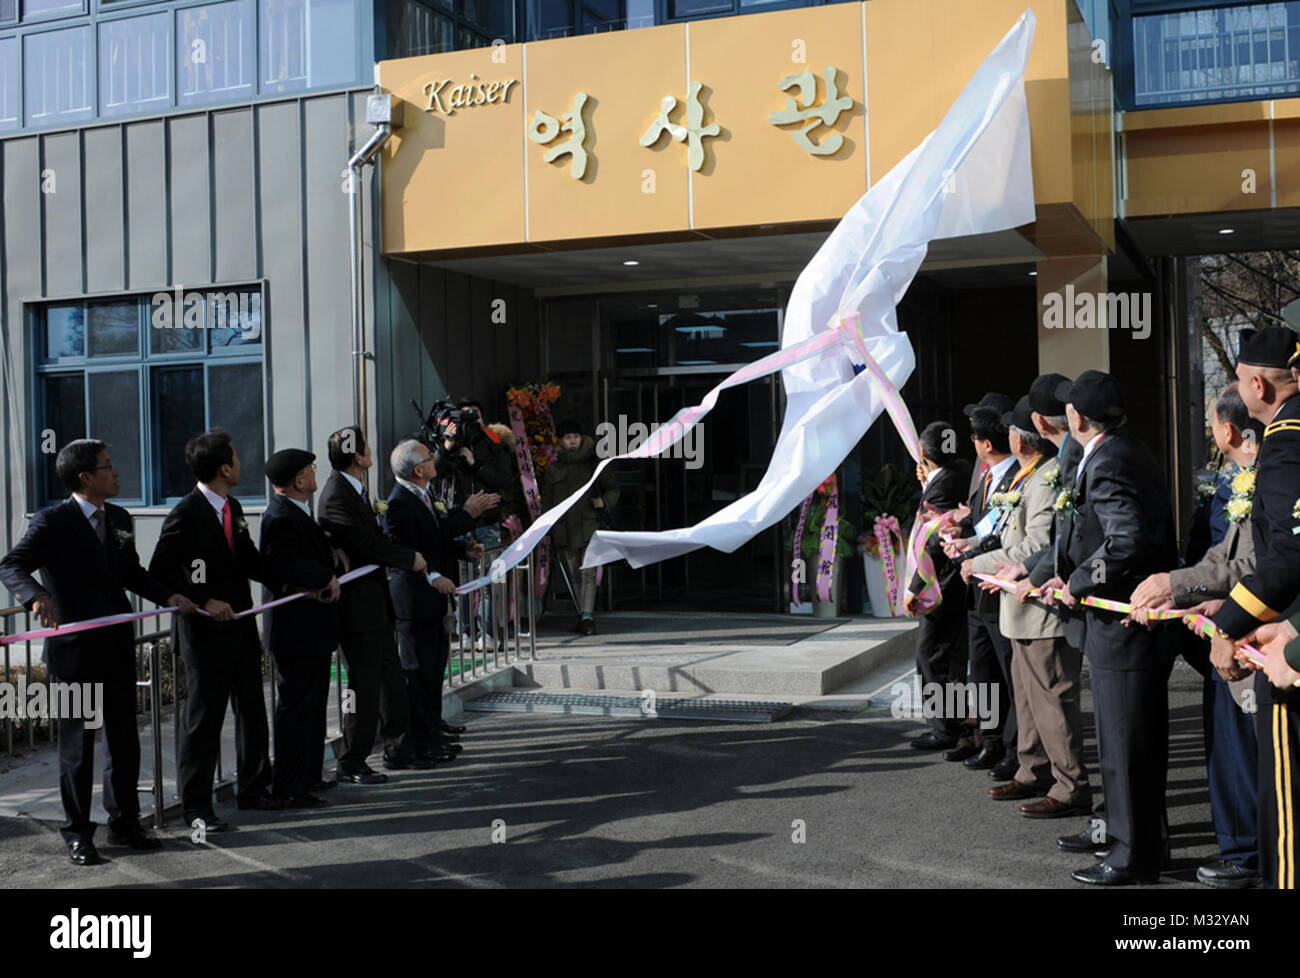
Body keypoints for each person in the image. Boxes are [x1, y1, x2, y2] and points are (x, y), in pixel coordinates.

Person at [0, 440, 196, 865]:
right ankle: (77, 833)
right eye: (108, 467)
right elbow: (11, 564)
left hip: (116, 648)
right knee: (79, 749)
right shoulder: (53, 521)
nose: (117, 473)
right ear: (85, 477)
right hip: (75, 656)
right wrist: (35, 596)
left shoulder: (120, 518)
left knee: (125, 741)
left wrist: (169, 596)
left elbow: (132, 573)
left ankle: (125, 822)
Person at [1039, 370, 1179, 885]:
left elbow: (1125, 541)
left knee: (1124, 746)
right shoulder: (1122, 448)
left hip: (1122, 623)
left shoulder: (1109, 459)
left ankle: (1130, 856)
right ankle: (1143, 845)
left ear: (1077, 416)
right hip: (1122, 622)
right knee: (1133, 743)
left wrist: (1077, 581)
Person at [1130, 382, 1262, 888]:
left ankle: (1250, 852)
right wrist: (1182, 591)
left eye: (1211, 423)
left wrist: (1179, 585)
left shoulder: (1267, 476)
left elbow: (1256, 563)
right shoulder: (1237, 476)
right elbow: (1220, 556)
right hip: (1224, 624)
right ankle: (1241, 846)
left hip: (1251, 636)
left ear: (1228, 429)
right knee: (1227, 747)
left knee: (1246, 750)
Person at [149, 430, 283, 834]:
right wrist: (203, 599)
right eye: (237, 457)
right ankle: (197, 807)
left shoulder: (233, 506)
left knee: (252, 712)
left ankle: (255, 788)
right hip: (204, 635)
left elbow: (250, 562)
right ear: (225, 468)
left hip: (240, 627)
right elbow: (161, 572)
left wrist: (302, 578)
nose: (242, 463)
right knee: (203, 723)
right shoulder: (185, 513)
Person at [966, 396, 1090, 817]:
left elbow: (1037, 544)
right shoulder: (1028, 475)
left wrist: (977, 562)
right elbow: (1005, 534)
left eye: (1013, 431)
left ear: (1021, 439)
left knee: (1053, 703)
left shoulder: (1047, 477)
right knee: (1027, 700)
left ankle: (1070, 785)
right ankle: (1031, 769)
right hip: (1018, 608)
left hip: (1042, 611)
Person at [1210, 326, 1300, 889]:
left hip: (1287, 653)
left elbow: (1291, 549)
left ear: (1259, 385)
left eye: (1241, 382)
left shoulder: (1288, 440)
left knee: (1288, 820)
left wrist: (1230, 625)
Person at [317, 425, 424, 779]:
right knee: (361, 686)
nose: (370, 451)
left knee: (390, 678)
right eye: (365, 447)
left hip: (375, 604)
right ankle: (351, 760)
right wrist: (409, 558)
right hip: (356, 609)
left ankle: (398, 747)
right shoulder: (336, 495)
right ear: (358, 457)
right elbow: (368, 545)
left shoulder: (356, 491)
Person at [385, 439, 481, 762]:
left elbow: (435, 537)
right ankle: (421, 742)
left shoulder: (425, 495)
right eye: (428, 456)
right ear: (417, 469)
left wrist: (462, 550)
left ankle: (432, 732)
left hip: (435, 599)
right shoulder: (398, 503)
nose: (434, 459)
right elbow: (407, 554)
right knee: (418, 674)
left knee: (434, 670)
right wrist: (432, 576)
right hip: (416, 601)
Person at [260, 449, 341, 808]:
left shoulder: (298, 512)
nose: (314, 475)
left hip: (313, 627)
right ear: (297, 480)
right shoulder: (279, 516)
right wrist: (323, 576)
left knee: (314, 704)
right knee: (295, 707)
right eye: (310, 470)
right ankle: (289, 783)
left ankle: (308, 776)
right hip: (295, 630)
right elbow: (282, 567)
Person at [943, 401, 1018, 778]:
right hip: (976, 589)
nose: (970, 441)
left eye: (973, 434)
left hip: (1000, 586)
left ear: (986, 443)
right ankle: (990, 740)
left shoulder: (1016, 476)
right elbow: (983, 525)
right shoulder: (985, 475)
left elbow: (1004, 532)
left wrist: (972, 546)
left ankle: (1013, 748)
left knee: (1008, 673)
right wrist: (963, 536)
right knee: (983, 671)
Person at [906, 421, 974, 752]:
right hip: (956, 583)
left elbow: (933, 543)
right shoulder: (959, 471)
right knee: (951, 655)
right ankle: (958, 722)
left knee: (932, 656)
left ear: (922, 453)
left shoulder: (941, 488)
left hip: (942, 584)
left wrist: (915, 587)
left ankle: (946, 729)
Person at [544, 419, 620, 635]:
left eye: (575, 436)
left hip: (588, 525)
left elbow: (613, 488)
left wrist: (603, 502)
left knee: (588, 571)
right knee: (573, 573)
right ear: (560, 441)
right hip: (563, 528)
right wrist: (547, 528)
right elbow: (547, 502)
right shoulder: (553, 469)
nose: (572, 441)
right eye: (568, 437)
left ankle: (587, 616)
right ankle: (582, 614)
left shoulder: (594, 464)